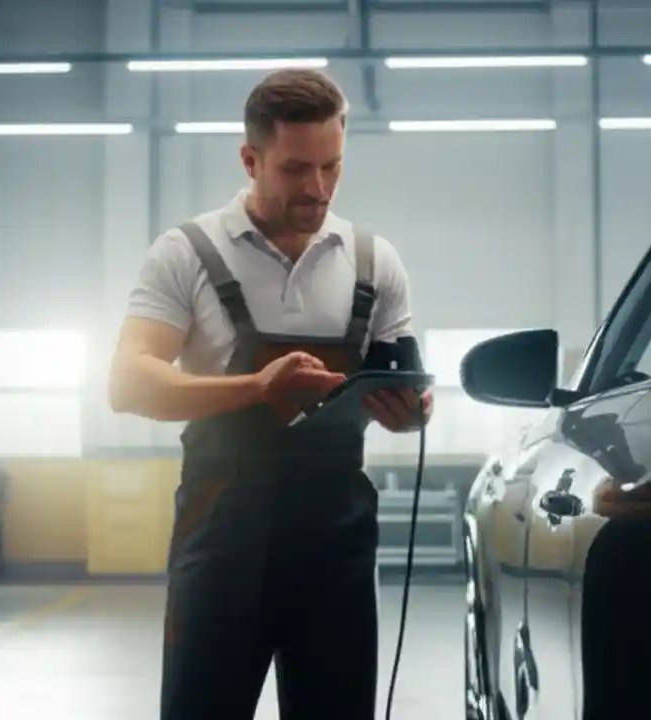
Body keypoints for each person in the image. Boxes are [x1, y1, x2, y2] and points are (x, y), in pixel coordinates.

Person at [108, 68, 432, 719]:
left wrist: (408, 412)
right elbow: (129, 381)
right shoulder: (188, 253)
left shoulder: (373, 262)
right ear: (250, 159)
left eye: (332, 167)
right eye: (294, 169)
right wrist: (257, 386)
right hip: (223, 526)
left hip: (337, 536)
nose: (316, 188)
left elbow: (405, 386)